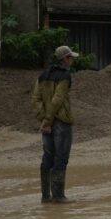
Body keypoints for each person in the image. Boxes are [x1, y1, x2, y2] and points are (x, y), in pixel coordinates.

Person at [31, 45, 78, 203]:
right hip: (61, 122)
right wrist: (48, 120)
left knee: (47, 158)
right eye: (71, 57)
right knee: (61, 158)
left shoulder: (42, 76)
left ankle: (45, 196)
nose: (72, 60)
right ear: (65, 59)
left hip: (46, 123)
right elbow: (58, 99)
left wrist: (43, 118)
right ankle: (58, 196)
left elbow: (35, 99)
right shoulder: (65, 75)